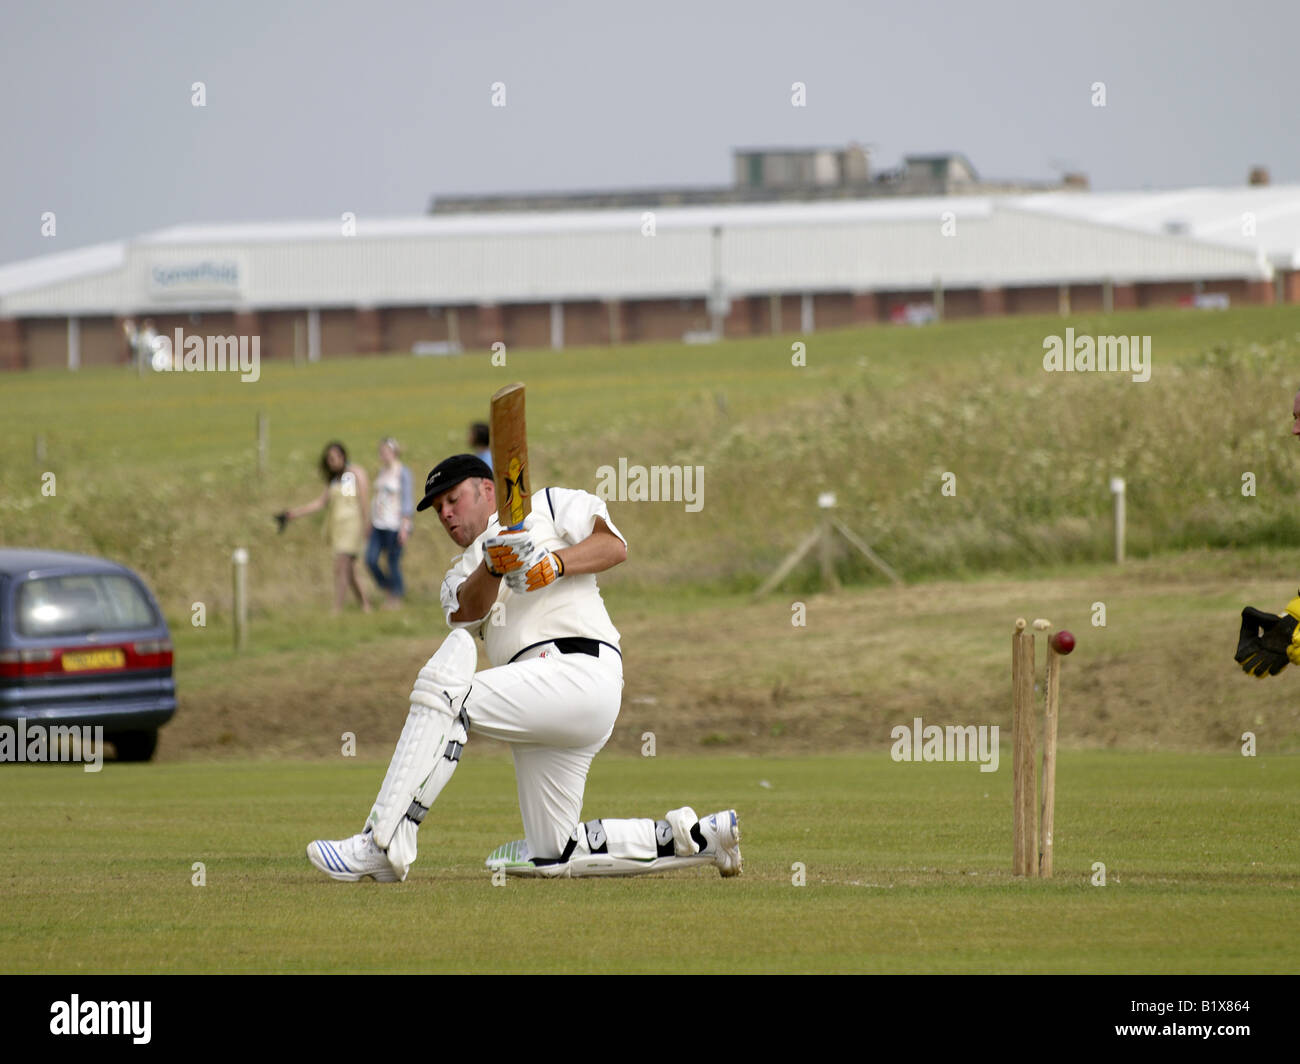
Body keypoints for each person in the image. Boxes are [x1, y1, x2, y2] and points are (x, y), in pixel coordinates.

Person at [306, 454, 741, 881]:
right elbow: (465, 614)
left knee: (448, 696)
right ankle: (704, 837)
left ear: (487, 489)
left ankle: (381, 843)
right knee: (555, 852)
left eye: (453, 499)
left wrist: (554, 563)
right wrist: (495, 565)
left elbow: (614, 546)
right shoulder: (459, 575)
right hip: (539, 710)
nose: (446, 513)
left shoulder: (549, 506)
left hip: (580, 672)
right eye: (438, 509)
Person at [277, 441, 372, 614]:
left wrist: (367, 524)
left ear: (343, 457)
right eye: (329, 459)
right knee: (349, 570)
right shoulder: (336, 480)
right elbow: (320, 503)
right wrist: (294, 514)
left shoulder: (353, 474)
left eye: (334, 458)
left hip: (352, 526)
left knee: (340, 565)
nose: (331, 462)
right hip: (338, 528)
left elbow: (361, 501)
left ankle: (337, 607)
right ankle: (365, 605)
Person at [366, 437, 414, 609]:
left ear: (394, 452)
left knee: (392, 562)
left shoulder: (403, 472)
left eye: (386, 451)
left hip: (395, 525)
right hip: (378, 524)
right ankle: (388, 587)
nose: (383, 455)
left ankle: (395, 597)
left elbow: (407, 500)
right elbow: (377, 499)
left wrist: (405, 527)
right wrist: (370, 522)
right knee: (370, 559)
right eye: (381, 452)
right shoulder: (381, 472)